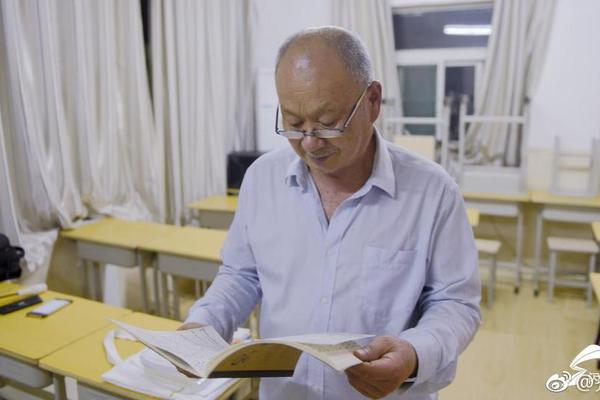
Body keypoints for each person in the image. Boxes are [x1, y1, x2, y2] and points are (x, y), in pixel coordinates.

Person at [181, 26, 481, 399]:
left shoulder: (432, 193)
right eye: (293, 123)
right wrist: (204, 323)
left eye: (327, 123)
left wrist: (415, 354)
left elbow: (455, 302)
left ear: (372, 101)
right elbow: (243, 274)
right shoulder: (262, 180)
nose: (309, 142)